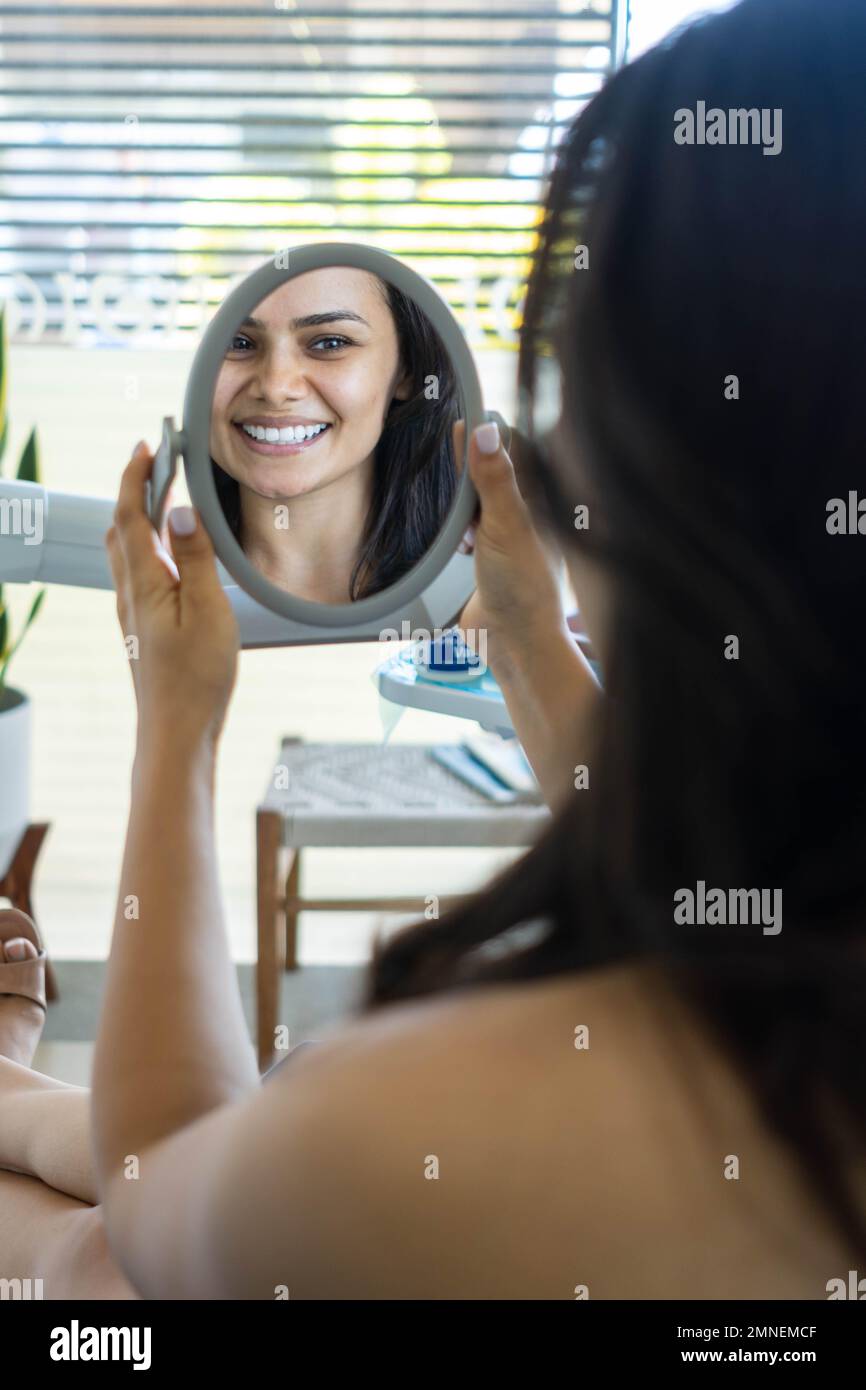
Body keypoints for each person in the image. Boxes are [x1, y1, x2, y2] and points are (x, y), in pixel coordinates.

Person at [0, 0, 863, 1298]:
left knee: (104, 1269)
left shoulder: (435, 1123)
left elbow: (164, 1195)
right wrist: (532, 633)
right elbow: (688, 856)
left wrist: (175, 727)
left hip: (200, 1223)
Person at [209, 266, 460, 602]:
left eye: (330, 343)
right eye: (238, 343)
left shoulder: (471, 598)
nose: (275, 388)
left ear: (406, 371)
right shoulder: (161, 584)